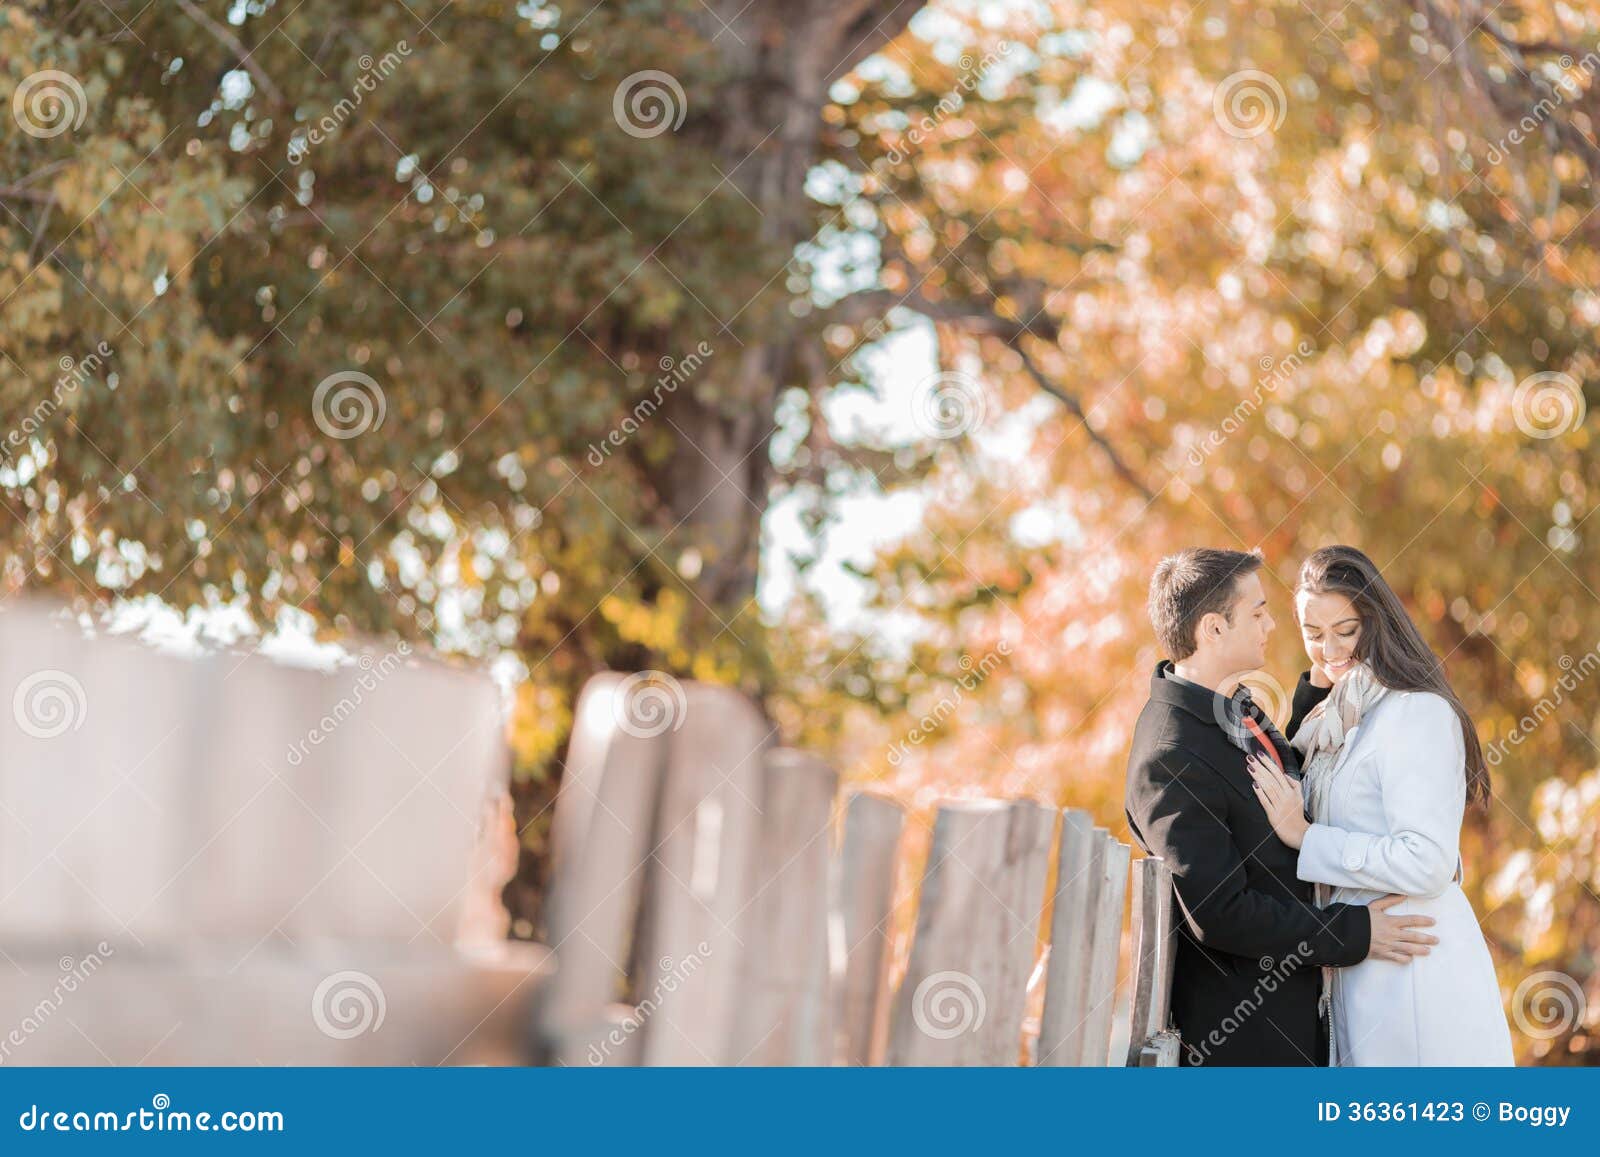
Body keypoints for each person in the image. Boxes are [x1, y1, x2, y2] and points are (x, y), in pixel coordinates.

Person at [1124, 547, 1438, 1066]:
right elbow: (1221, 913)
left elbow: (1274, 788)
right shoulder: (1170, 754)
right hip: (1250, 1041)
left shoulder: (1227, 706)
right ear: (1214, 629)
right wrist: (1355, 931)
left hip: (1300, 1016)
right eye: (1257, 612)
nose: (1272, 623)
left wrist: (1319, 688)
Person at [1247, 545, 1515, 1065]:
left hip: (1416, 971)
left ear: (1378, 620)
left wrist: (1307, 837)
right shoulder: (1336, 723)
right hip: (1364, 964)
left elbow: (1429, 861)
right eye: (1313, 633)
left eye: (1345, 630)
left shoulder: (1416, 713)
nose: (1329, 650)